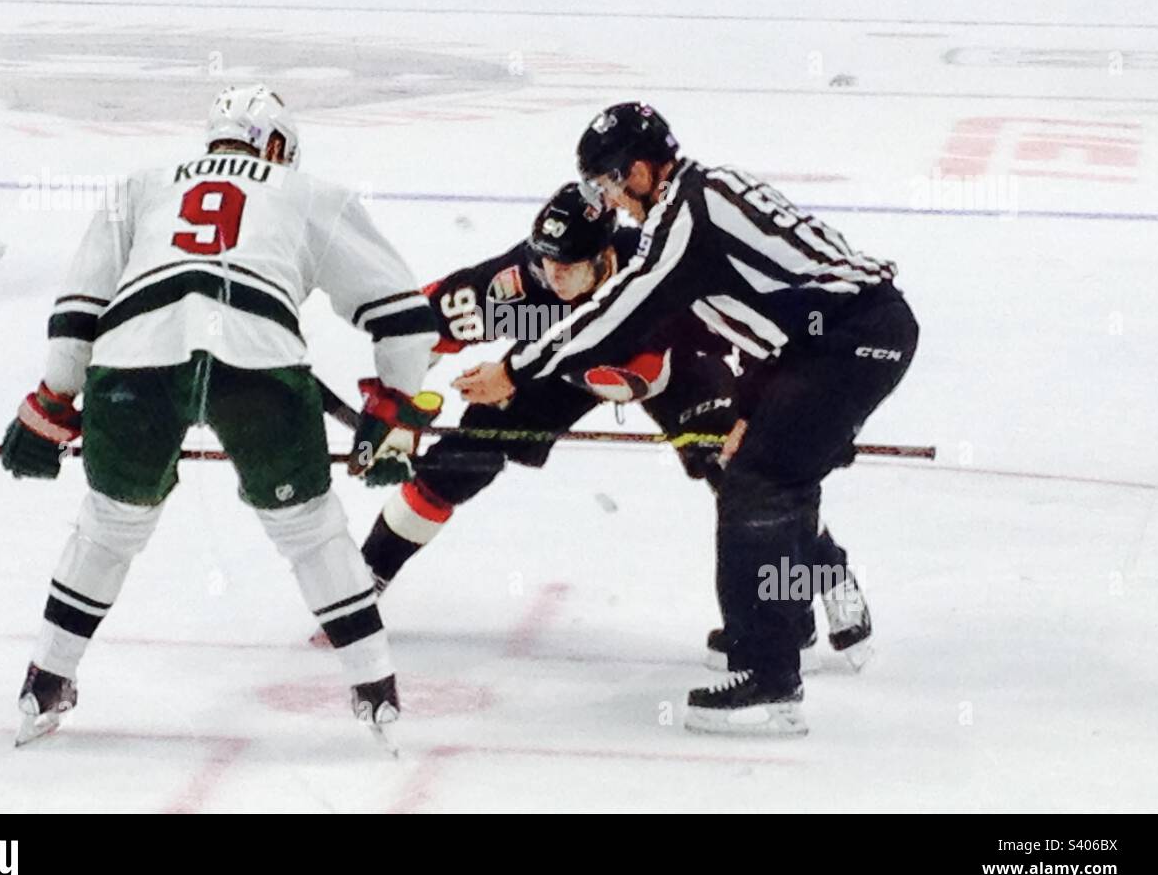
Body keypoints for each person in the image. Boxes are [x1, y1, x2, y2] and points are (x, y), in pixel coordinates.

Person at [0, 84, 441, 748]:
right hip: (259, 362)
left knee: (109, 529)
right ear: (277, 146)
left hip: (134, 359)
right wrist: (396, 406)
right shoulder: (308, 193)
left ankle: (46, 681)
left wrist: (52, 401)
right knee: (310, 532)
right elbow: (405, 321)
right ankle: (375, 689)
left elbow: (78, 309)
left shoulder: (140, 187)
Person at [458, 104, 918, 735]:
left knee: (760, 486)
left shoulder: (686, 218)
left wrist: (517, 369)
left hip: (850, 343)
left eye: (610, 183)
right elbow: (776, 320)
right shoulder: (708, 191)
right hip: (843, 340)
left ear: (642, 170)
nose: (609, 200)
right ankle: (792, 623)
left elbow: (620, 311)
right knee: (756, 469)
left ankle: (769, 681)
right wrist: (753, 409)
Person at [353, 182, 873, 668]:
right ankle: (367, 575)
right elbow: (415, 328)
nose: (552, 277)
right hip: (555, 365)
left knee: (745, 472)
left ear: (606, 257)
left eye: (569, 266)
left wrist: (796, 417)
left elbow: (761, 343)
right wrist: (397, 410)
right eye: (546, 262)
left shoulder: (664, 271)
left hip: (676, 366)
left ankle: (823, 579)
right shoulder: (518, 285)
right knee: (465, 457)